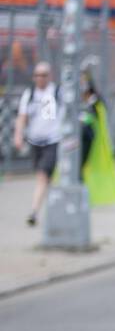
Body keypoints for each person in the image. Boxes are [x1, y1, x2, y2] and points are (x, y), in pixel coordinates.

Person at [14, 62, 62, 226]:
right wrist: (18, 135)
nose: (40, 78)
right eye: (37, 75)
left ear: (50, 76)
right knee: (45, 179)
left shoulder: (55, 92)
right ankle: (55, 209)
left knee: (42, 176)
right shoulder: (30, 94)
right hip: (35, 141)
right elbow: (22, 117)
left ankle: (34, 212)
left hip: (52, 141)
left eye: (44, 75)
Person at [79, 73, 115, 206]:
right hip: (77, 139)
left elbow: (97, 117)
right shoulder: (79, 99)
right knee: (79, 168)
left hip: (88, 137)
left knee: (82, 166)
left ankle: (83, 195)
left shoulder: (94, 100)